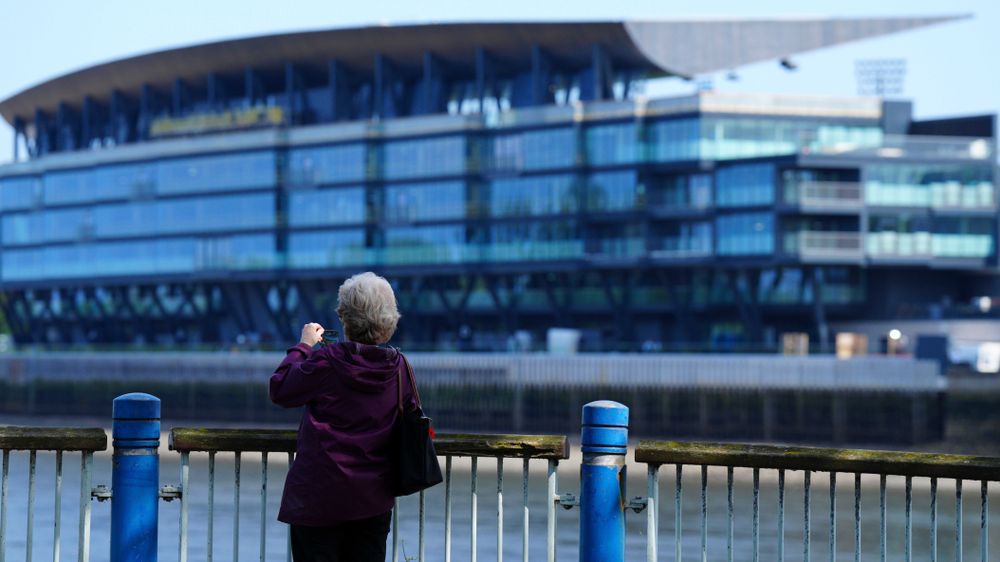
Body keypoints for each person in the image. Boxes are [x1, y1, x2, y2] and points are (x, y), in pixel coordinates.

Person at [270, 272, 415, 562]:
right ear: (390, 320)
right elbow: (408, 417)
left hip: (319, 499)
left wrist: (304, 346)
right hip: (373, 499)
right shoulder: (398, 367)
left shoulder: (327, 361)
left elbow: (280, 389)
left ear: (344, 318)